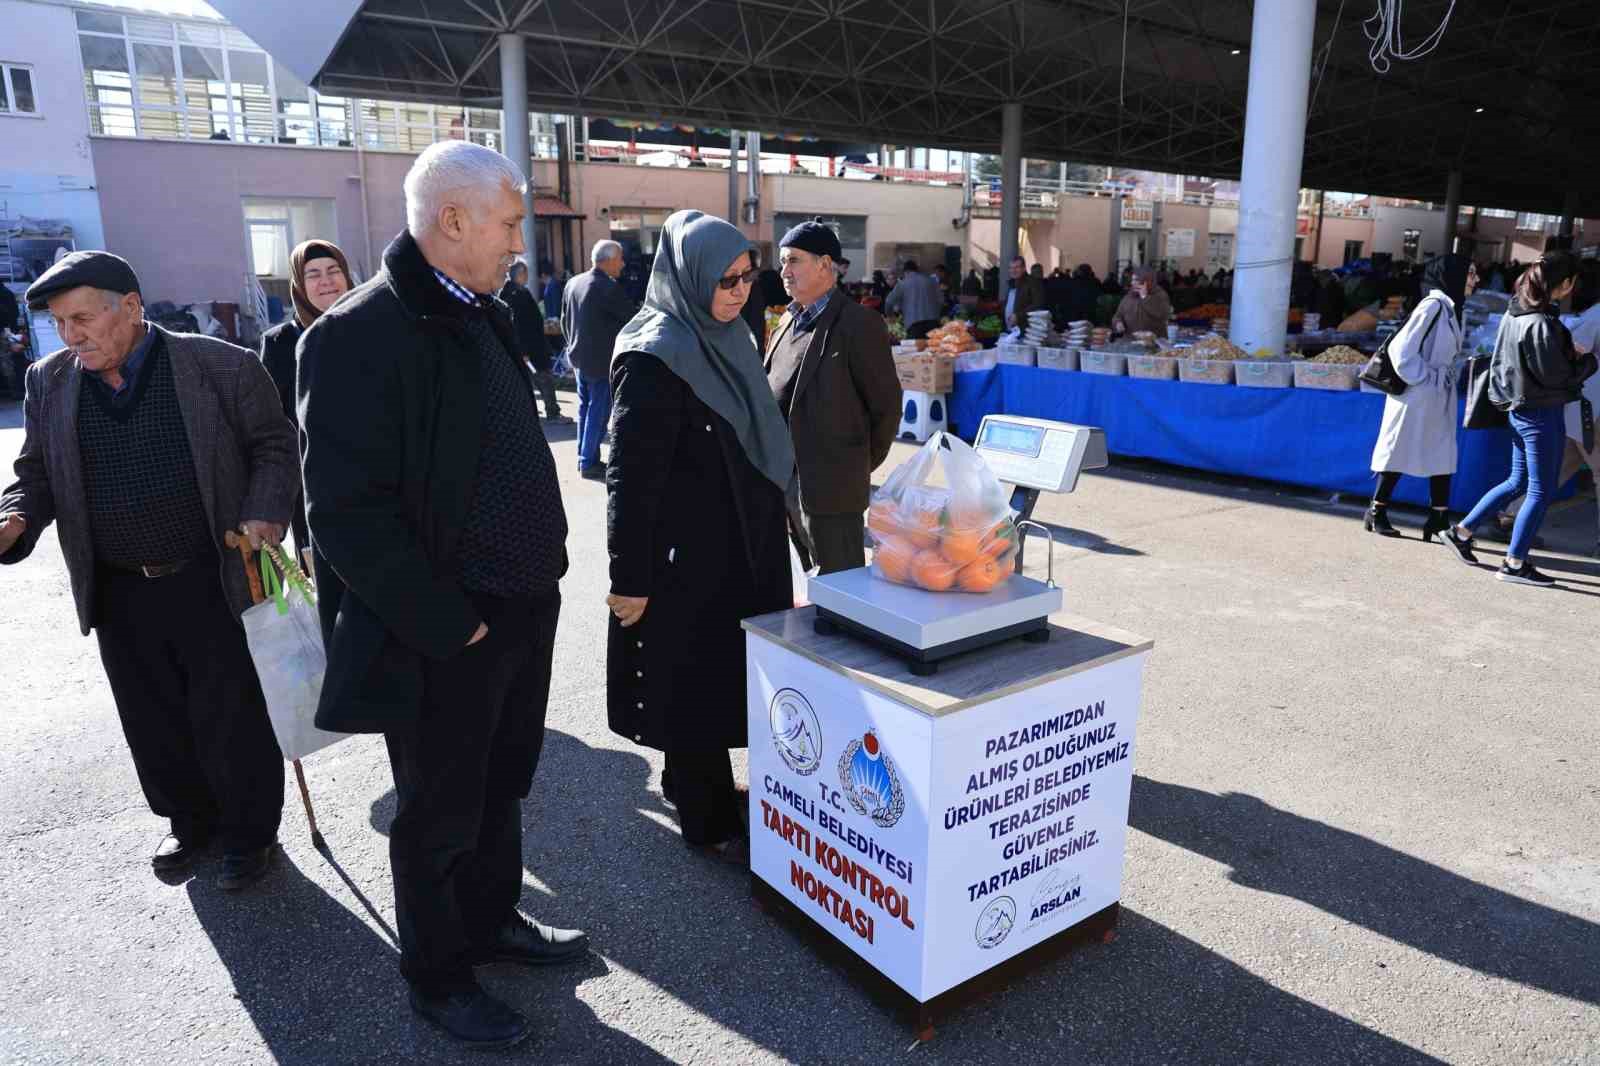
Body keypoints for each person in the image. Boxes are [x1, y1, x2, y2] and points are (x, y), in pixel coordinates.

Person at [298, 141, 587, 1050]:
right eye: (509, 224)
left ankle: (491, 921)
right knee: (438, 810)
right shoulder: (354, 335)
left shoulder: (483, 310)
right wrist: (450, 625)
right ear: (452, 219)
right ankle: (438, 975)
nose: (519, 243)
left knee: (500, 784)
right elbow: (345, 516)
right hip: (446, 628)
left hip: (520, 603)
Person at [0, 251, 294, 888]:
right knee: (152, 718)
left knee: (231, 714)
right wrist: (14, 518)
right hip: (119, 587)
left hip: (210, 575)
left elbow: (275, 446)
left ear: (130, 307)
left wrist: (265, 512)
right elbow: (37, 473)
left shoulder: (220, 366)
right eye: (59, 323)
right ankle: (190, 822)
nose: (71, 336)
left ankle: (251, 833)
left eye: (83, 319)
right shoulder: (49, 381)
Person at [605, 211, 792, 861]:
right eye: (724, 279)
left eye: (748, 276)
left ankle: (692, 783)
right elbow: (630, 478)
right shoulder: (654, 355)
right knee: (693, 680)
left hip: (741, 541)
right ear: (688, 276)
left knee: (721, 671)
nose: (740, 291)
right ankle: (707, 820)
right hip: (686, 554)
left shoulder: (727, 334)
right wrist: (630, 577)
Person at [1445, 251, 1598, 586]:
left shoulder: (1515, 313)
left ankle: (1461, 531)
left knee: (1518, 482)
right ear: (1564, 283)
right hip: (1541, 411)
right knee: (1540, 491)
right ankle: (1514, 563)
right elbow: (1558, 377)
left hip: (1520, 408)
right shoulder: (1541, 323)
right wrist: (1588, 361)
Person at [765, 219, 901, 574]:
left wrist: (851, 464)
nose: (784, 271)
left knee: (840, 585)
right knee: (805, 582)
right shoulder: (786, 322)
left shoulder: (859, 324)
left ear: (825, 265)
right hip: (784, 482)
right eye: (782, 262)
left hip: (832, 489)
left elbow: (886, 408)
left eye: (793, 260)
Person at [1364, 255, 1475, 539]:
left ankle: (1438, 517)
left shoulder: (1452, 308)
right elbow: (1401, 349)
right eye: (1470, 273)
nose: (1475, 280)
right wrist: (1424, 378)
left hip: (1437, 392)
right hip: (1417, 394)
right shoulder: (1433, 306)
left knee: (1442, 452)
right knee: (1399, 448)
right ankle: (1377, 510)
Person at [258, 239, 352, 554]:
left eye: (333, 270)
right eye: (313, 274)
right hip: (314, 487)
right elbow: (272, 425)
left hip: (379, 479)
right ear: (299, 284)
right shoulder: (281, 343)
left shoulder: (372, 328)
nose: (326, 281)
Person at [562, 240, 636, 479]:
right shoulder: (607, 287)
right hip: (600, 362)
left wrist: (572, 346)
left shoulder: (574, 283)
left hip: (579, 359)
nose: (623, 264)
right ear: (610, 260)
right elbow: (631, 319)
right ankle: (588, 461)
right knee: (598, 412)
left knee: (586, 408)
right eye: (620, 259)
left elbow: (564, 320)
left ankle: (584, 457)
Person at [500, 260, 570, 424]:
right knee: (544, 379)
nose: (527, 276)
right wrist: (523, 350)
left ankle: (528, 413)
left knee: (526, 381)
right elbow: (517, 325)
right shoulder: (517, 294)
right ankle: (553, 413)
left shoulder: (508, 293)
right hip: (530, 348)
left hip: (525, 347)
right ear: (521, 274)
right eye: (526, 273)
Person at [884, 259, 942, 338]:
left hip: (914, 324)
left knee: (917, 345)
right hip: (933, 322)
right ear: (917, 270)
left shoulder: (903, 283)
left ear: (906, 272)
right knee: (932, 344)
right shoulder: (932, 281)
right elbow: (941, 300)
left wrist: (890, 315)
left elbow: (888, 301)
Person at [1112, 266, 1174, 336]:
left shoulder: (1160, 295)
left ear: (1147, 281)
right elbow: (1117, 316)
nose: (1132, 283)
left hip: (1154, 340)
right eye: (1132, 280)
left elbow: (1163, 315)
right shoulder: (1129, 296)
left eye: (1136, 280)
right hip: (1130, 339)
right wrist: (1118, 323)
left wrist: (1144, 297)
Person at [1005, 256, 1044, 330]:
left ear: (1024, 268)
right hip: (1012, 329)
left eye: (1017, 267)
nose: (1013, 270)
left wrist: (1018, 316)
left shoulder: (1033, 282)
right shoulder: (1011, 283)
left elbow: (1038, 304)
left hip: (1026, 330)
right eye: (1011, 268)